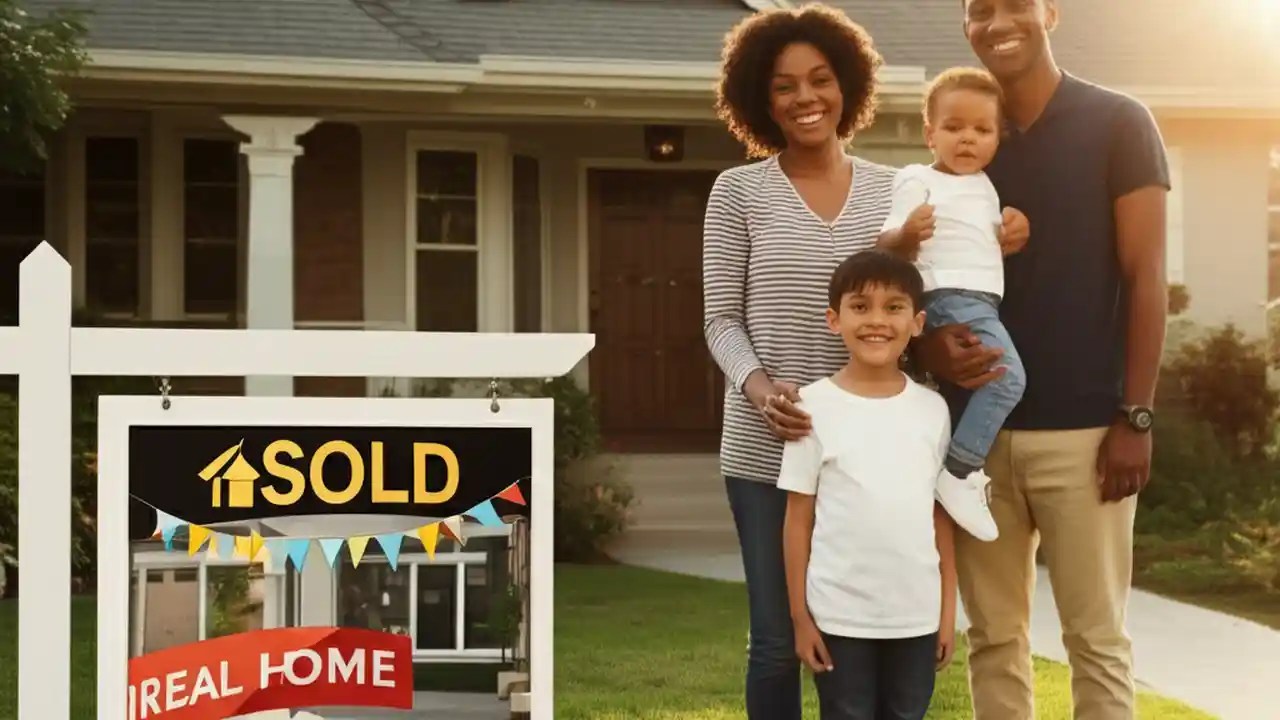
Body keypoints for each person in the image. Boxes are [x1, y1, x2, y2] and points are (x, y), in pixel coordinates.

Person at [704, 6, 1028, 718]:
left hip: (880, 454)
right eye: (785, 85)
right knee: (774, 641)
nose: (805, 98)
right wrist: (760, 391)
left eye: (821, 80)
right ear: (761, 96)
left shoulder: (900, 187)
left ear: (848, 87)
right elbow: (721, 319)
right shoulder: (738, 192)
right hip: (770, 446)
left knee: (864, 633)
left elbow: (935, 291)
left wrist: (1004, 234)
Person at [914, 2, 1170, 718]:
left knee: (1096, 638)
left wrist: (1136, 415)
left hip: (1086, 432)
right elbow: (915, 271)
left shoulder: (1118, 122)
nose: (999, 21)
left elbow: (1147, 276)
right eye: (979, 10)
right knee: (994, 637)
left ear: (1049, 12)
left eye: (1015, 4)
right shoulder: (961, 133)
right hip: (975, 438)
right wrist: (930, 345)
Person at [779, 250, 957, 720]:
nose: (877, 320)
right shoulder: (810, 409)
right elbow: (798, 519)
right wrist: (801, 618)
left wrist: (946, 612)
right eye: (860, 306)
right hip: (839, 617)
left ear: (917, 322)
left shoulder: (933, 409)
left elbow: (940, 514)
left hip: (915, 616)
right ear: (834, 320)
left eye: (894, 307)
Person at [878, 67, 1031, 543]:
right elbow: (884, 242)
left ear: (996, 138)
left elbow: (981, 242)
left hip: (981, 300)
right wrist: (907, 235)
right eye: (954, 127)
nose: (968, 139)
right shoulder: (917, 178)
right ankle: (959, 472)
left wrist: (1011, 232)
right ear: (930, 134)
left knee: (987, 379)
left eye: (982, 130)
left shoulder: (986, 185)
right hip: (948, 293)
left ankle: (947, 469)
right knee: (1010, 380)